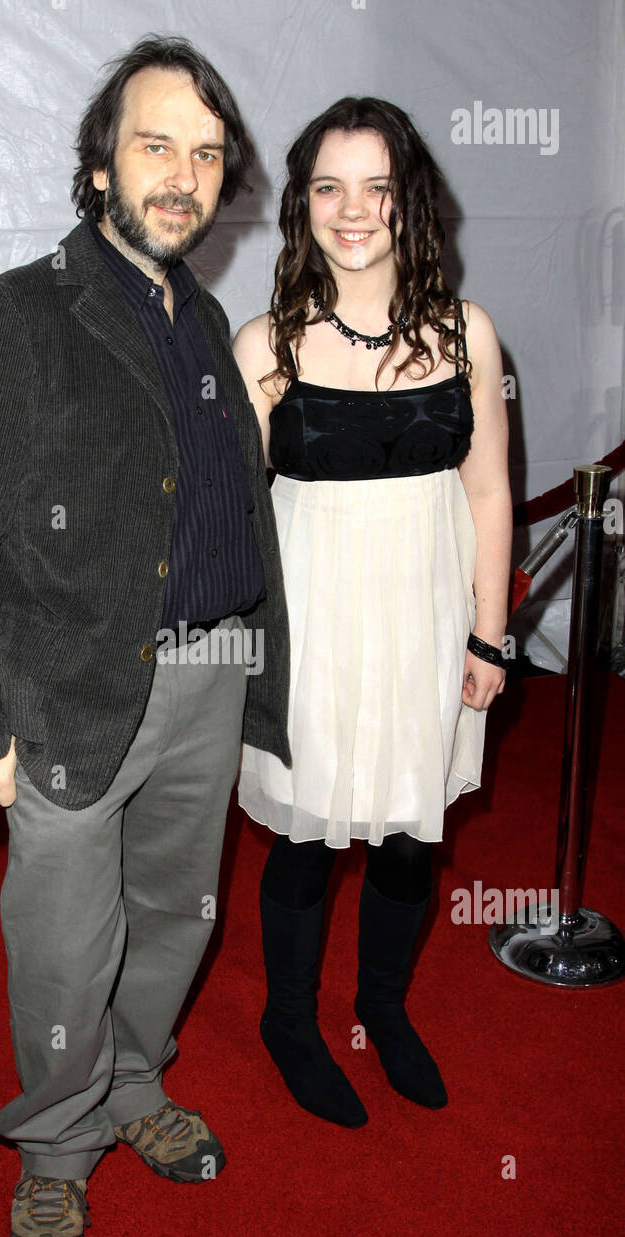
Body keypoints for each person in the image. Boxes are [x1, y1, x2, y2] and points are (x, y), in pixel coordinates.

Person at [0, 35, 292, 1237]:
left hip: (205, 680)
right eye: (153, 145)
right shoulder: (17, 315)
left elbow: (221, 502)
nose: (181, 176)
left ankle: (134, 1083)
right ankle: (56, 1150)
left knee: (175, 918)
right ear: (96, 169)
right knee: (66, 944)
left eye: (204, 153)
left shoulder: (205, 321)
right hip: (72, 694)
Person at [232, 97, 511, 1129]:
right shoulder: (264, 342)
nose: (351, 211)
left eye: (375, 186)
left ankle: (381, 1008)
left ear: (409, 201)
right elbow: (223, 512)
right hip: (309, 627)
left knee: (405, 835)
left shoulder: (465, 334)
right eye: (326, 187)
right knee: (306, 839)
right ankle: (290, 1023)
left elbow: (486, 492)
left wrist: (488, 634)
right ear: (301, 202)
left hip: (426, 620)